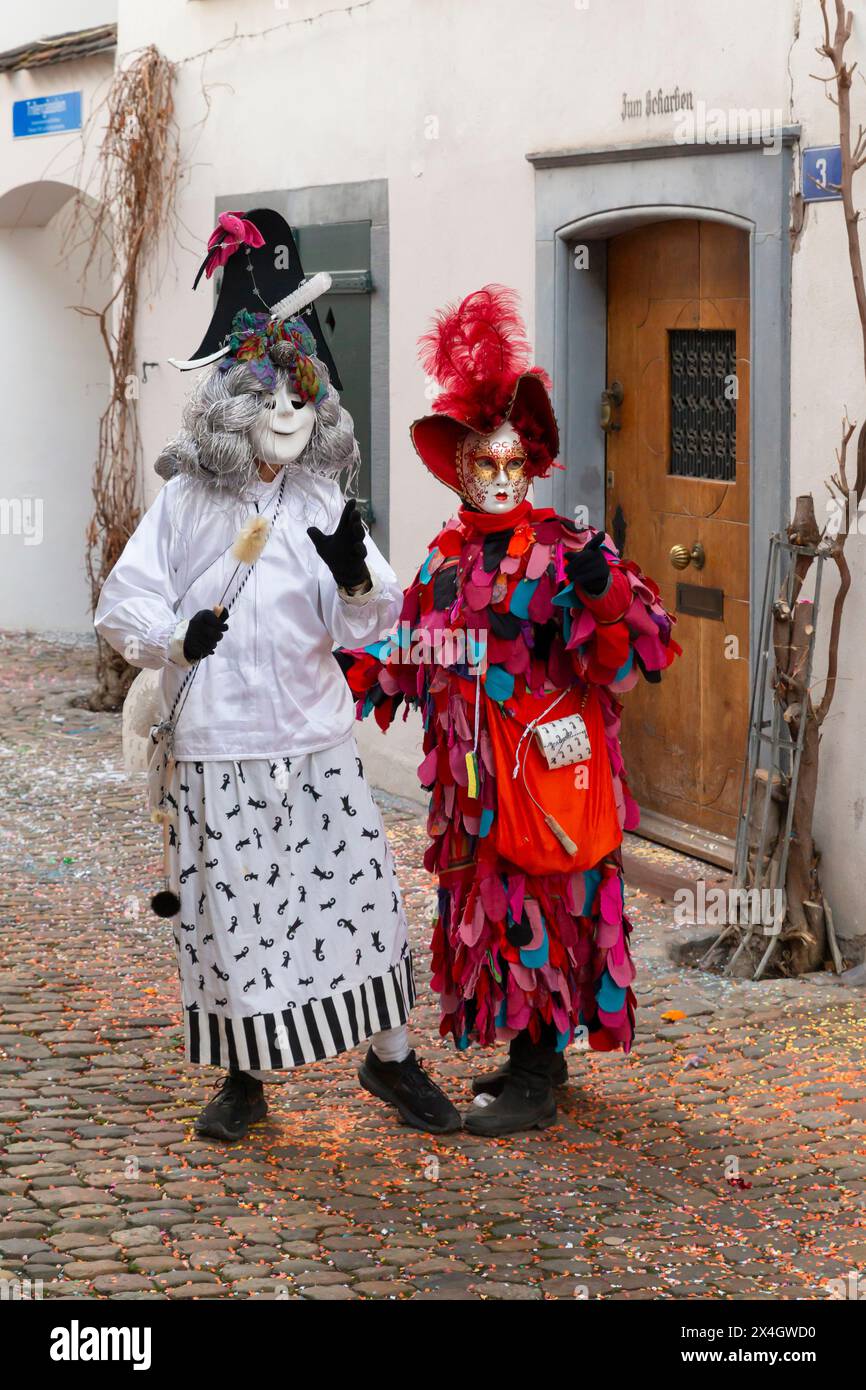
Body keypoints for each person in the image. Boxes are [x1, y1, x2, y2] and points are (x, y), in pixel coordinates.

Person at [95, 210, 459, 1141]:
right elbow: (120, 606)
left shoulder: (323, 498)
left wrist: (349, 569)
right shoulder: (185, 499)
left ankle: (391, 1061)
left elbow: (375, 614)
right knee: (232, 917)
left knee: (360, 906)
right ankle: (242, 1082)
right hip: (218, 744)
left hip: (314, 739)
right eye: (268, 396)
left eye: (300, 397)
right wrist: (179, 640)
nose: (285, 414)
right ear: (235, 405)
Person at [344, 285, 679, 1136]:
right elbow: (421, 654)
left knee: (555, 907)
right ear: (459, 469)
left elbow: (635, 653)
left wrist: (605, 595)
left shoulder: (565, 552)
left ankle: (538, 1071)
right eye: (482, 466)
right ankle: (532, 1054)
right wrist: (350, 667)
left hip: (545, 769)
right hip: (471, 784)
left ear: (532, 468)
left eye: (512, 466)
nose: (498, 480)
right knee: (495, 910)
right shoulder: (441, 560)